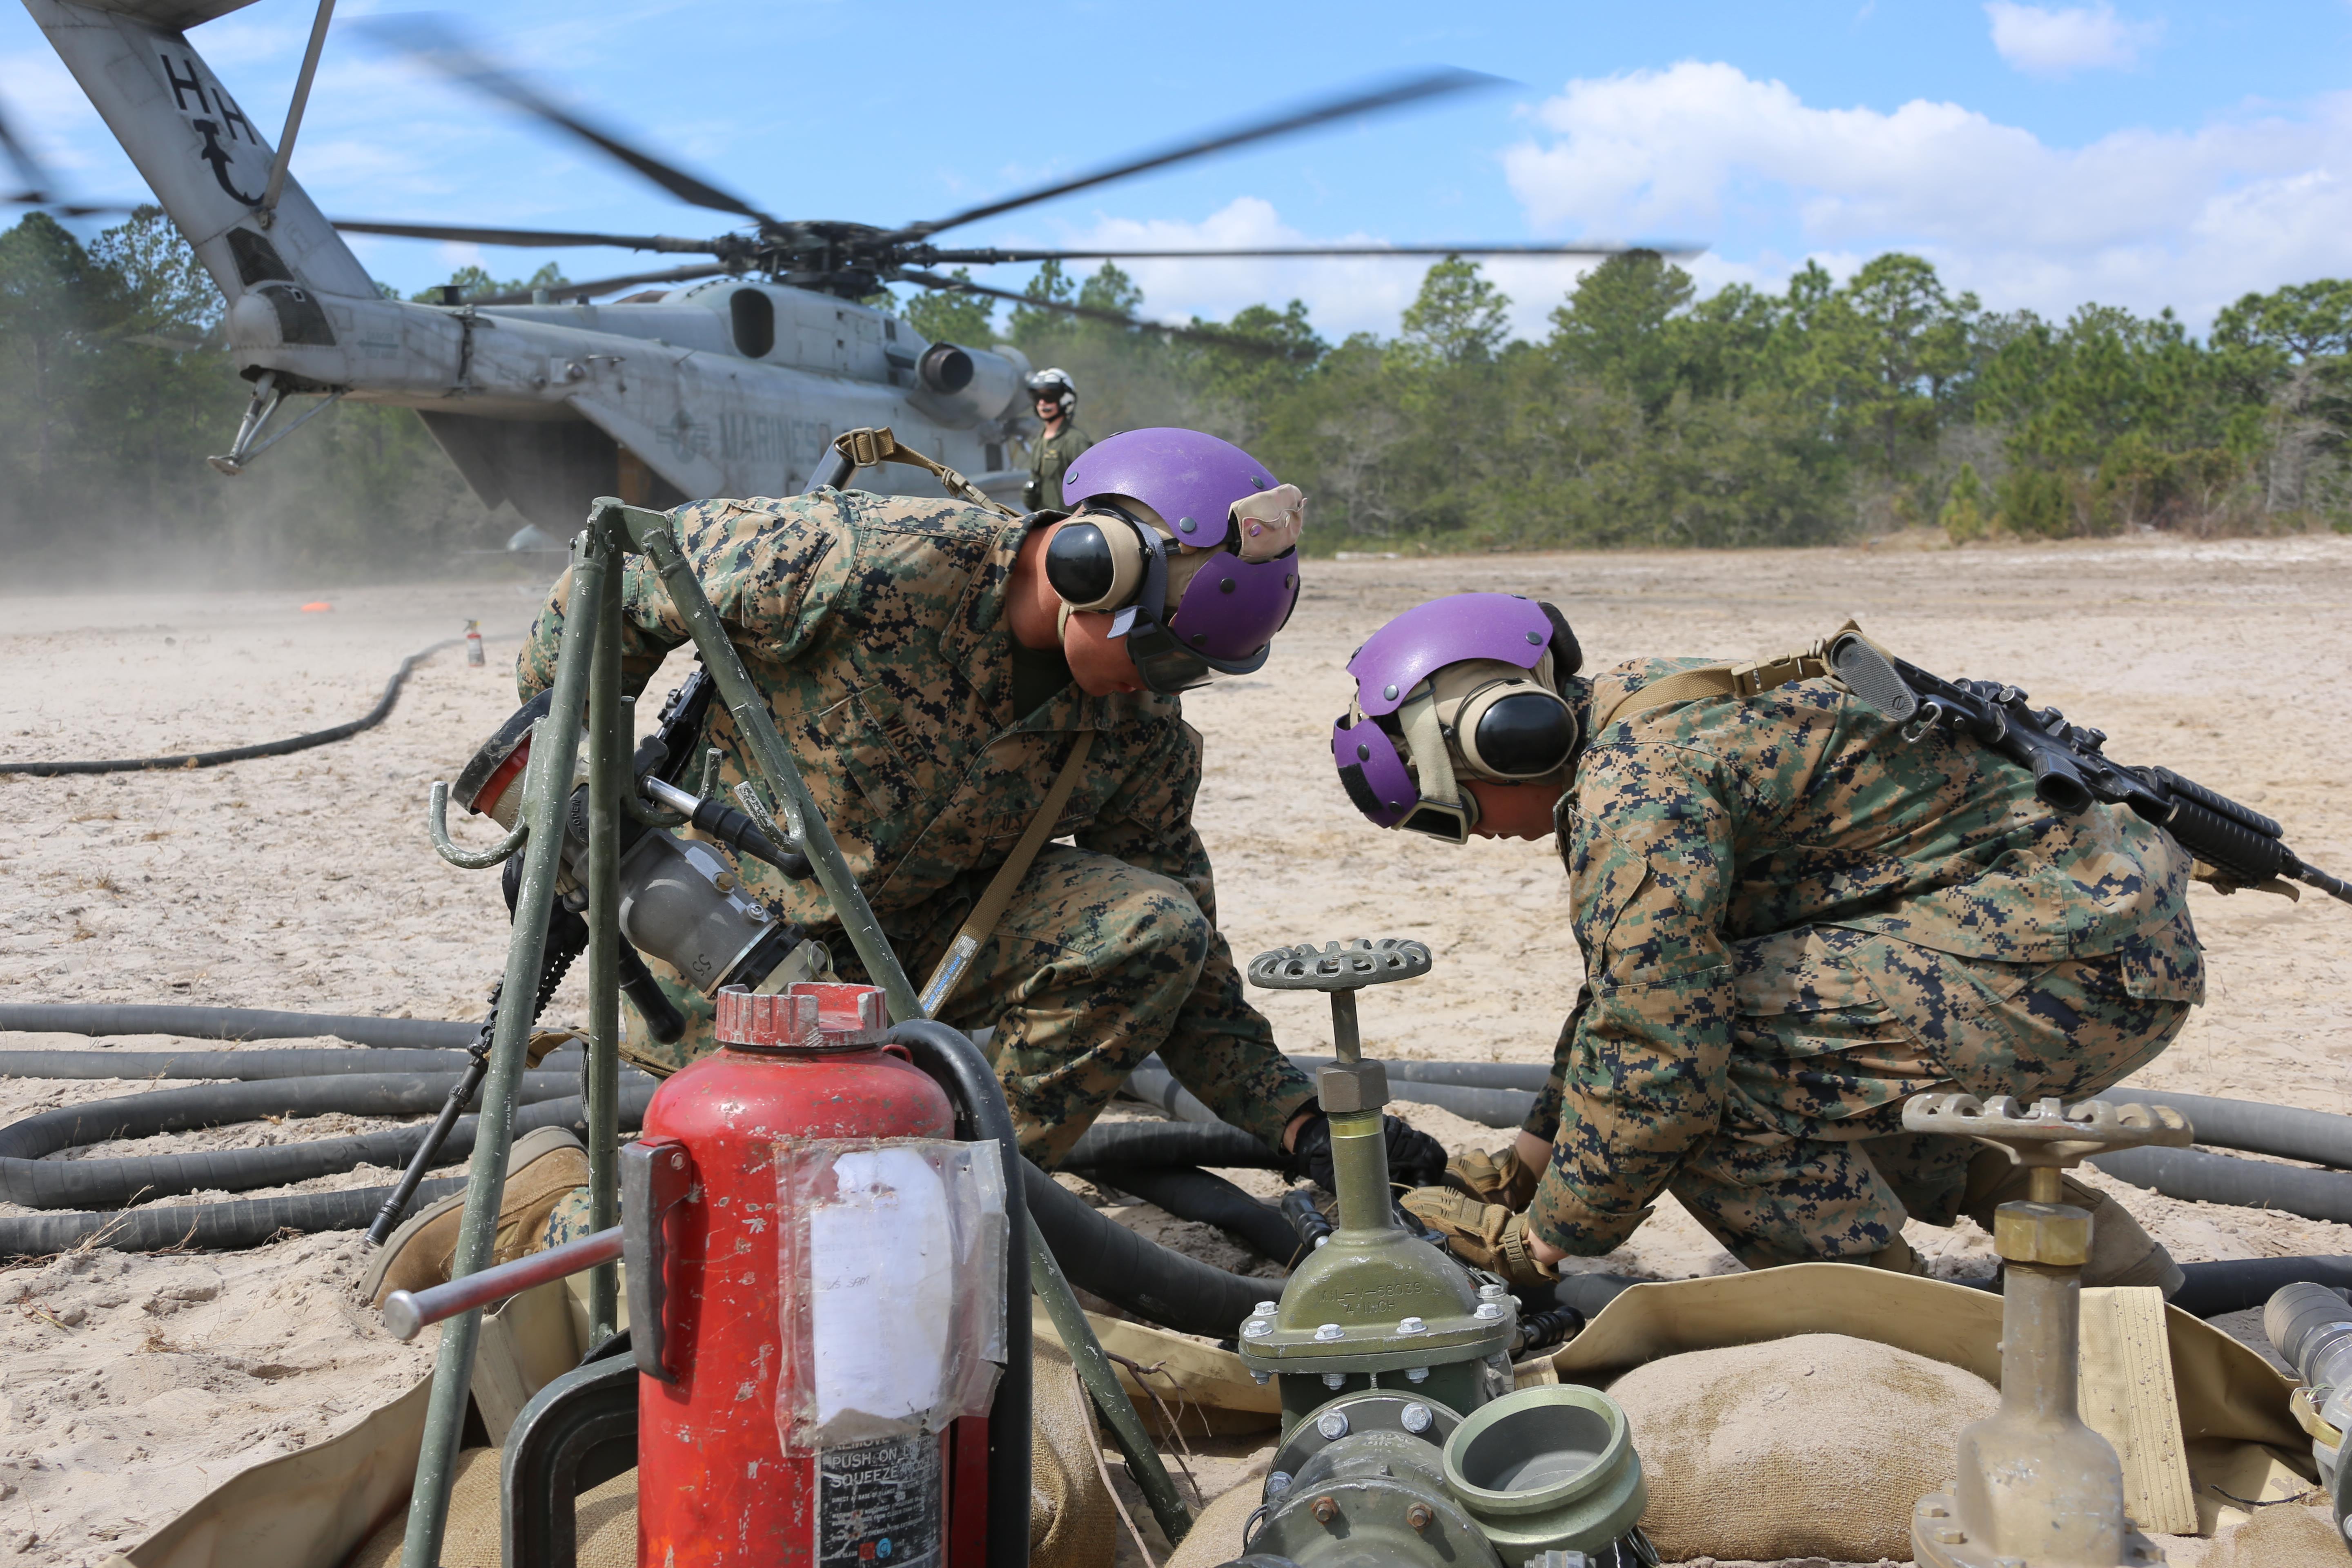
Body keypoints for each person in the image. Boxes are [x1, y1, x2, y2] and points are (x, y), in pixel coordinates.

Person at [510, 427, 1441, 1195]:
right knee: (713, 1202)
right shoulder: (864, 560)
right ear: (1094, 568)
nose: (1165, 686)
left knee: (1153, 924)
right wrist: (581, 778)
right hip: (714, 940)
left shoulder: (1134, 730)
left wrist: (1295, 1120)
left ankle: (955, 1187)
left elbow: (1178, 946)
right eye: (1166, 655)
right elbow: (619, 574)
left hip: (911, 960)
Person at [1330, 593, 2201, 1291]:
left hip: (2072, 969)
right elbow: (1627, 997)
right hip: (2085, 940)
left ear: (1509, 740)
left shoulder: (1637, 796)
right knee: (1752, 1032)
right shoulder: (1635, 719)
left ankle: (1906, 1330)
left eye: (1454, 809)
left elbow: (1659, 1058)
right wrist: (1521, 1172)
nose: (1473, 834)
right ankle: (2109, 1272)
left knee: (1700, 1076)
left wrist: (1542, 1243)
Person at [1023, 368, 1091, 511]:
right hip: (1046, 525)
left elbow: (1091, 491)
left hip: (1070, 527)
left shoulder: (1076, 441)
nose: (1042, 403)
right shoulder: (1039, 442)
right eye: (1037, 397)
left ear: (1065, 399)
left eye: (1049, 397)